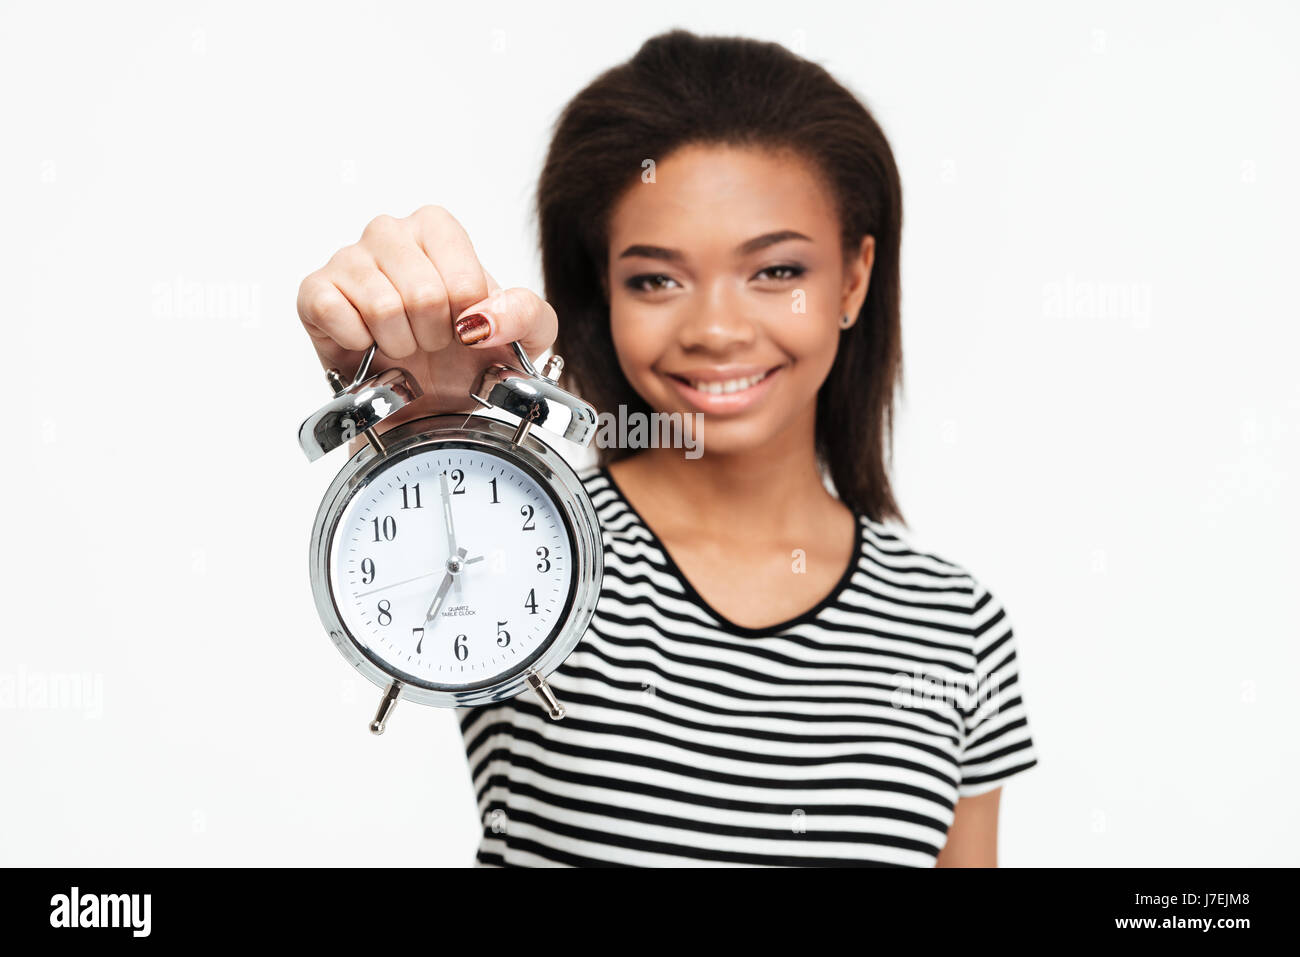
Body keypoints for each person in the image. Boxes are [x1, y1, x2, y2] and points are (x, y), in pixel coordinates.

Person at [296, 29, 1038, 867]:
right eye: (655, 279)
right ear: (603, 293)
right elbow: (412, 566)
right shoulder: (541, 547)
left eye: (777, 271)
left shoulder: (954, 625)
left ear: (854, 279)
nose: (717, 329)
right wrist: (439, 426)